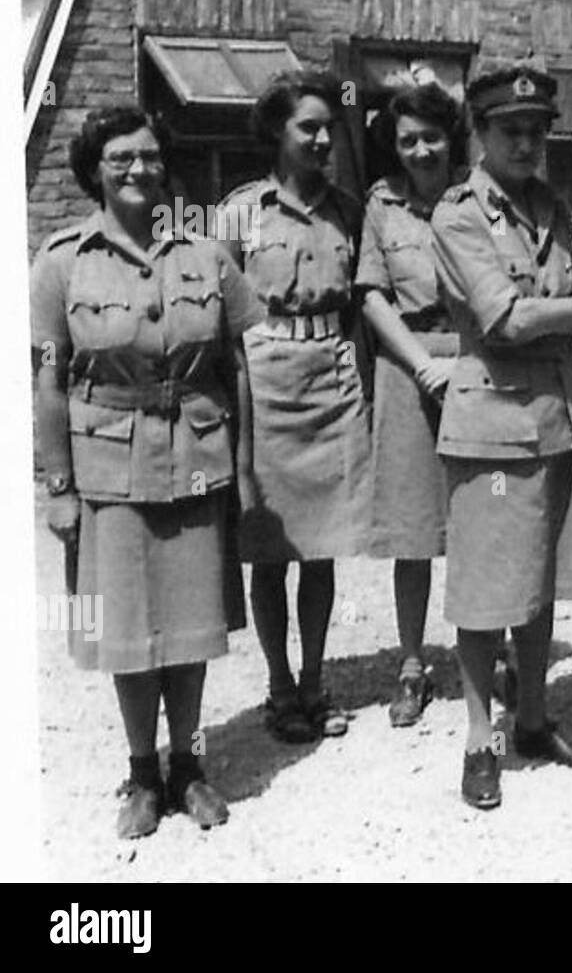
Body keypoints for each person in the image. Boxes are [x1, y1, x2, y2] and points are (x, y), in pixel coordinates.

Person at [31, 107, 262, 837]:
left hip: (197, 452)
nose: (140, 169)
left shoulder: (207, 256)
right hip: (108, 464)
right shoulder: (62, 260)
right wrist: (59, 486)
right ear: (94, 170)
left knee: (192, 622)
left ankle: (189, 767)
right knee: (127, 625)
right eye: (122, 158)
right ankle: (140, 771)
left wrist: (246, 470)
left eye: (151, 156)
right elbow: (49, 381)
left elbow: (239, 367)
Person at [429, 65, 572, 810]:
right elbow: (502, 319)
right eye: (510, 129)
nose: (526, 141)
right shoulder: (456, 215)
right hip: (492, 420)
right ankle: (481, 736)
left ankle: (533, 717)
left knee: (538, 579)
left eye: (538, 129)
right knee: (484, 588)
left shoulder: (552, 206)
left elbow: (547, 308)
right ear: (479, 132)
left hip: (559, 413)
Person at [216, 71, 371, 744]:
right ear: (275, 135)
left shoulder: (347, 208)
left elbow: (363, 305)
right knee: (272, 549)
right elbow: (220, 315)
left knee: (322, 548)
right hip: (268, 378)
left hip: (333, 379)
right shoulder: (241, 212)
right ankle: (279, 686)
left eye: (327, 127)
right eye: (306, 126)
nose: (320, 137)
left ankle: (316, 678)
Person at [356, 81, 465, 727]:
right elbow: (370, 295)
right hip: (406, 364)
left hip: (478, 360)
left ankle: (497, 647)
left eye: (432, 136)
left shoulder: (481, 197)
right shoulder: (381, 205)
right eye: (408, 140)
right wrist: (423, 365)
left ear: (453, 137)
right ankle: (412, 663)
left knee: (486, 512)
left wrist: (463, 360)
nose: (421, 150)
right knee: (412, 526)